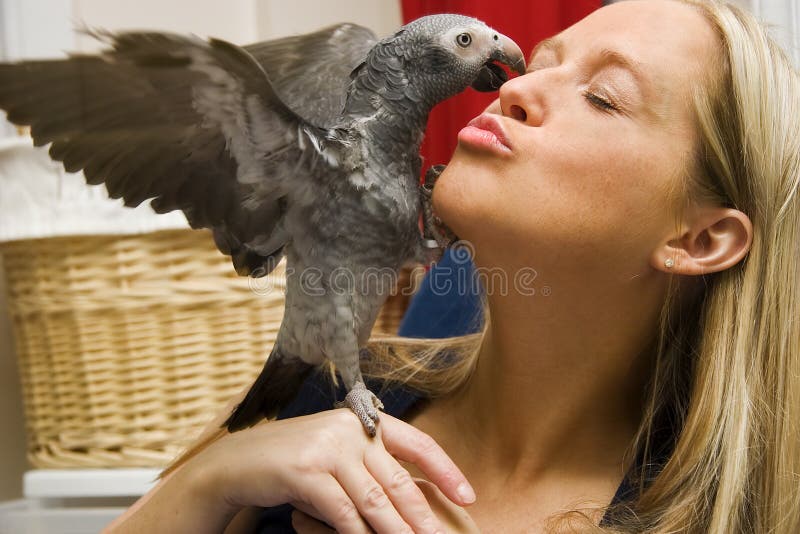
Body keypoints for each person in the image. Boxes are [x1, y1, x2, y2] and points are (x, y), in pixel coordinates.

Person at [105, 0, 800, 532]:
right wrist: (207, 484)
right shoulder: (312, 403)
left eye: (602, 97)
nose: (514, 90)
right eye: (544, 64)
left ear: (701, 240)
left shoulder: (720, 512)